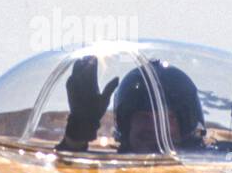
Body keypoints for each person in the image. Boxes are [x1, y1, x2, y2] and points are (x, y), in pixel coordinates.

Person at [55, 55, 206, 154]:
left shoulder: (211, 171)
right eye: (144, 117)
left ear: (186, 124)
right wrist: (78, 132)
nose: (154, 128)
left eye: (166, 118)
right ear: (127, 125)